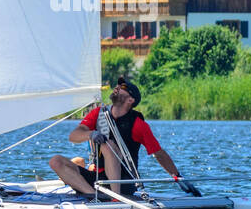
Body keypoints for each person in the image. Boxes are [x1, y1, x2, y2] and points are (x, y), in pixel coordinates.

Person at [49, 78, 182, 199]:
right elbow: (73, 136)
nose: (117, 87)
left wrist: (177, 176)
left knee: (107, 145)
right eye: (118, 85)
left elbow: (159, 153)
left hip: (123, 182)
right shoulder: (99, 114)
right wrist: (91, 134)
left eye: (123, 88)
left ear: (131, 100)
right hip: (98, 181)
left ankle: (116, 197)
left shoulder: (138, 125)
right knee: (56, 161)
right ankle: (92, 195)